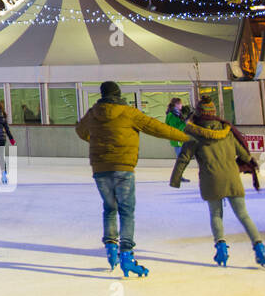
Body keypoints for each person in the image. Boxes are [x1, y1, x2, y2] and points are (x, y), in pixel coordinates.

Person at [75, 80, 229, 277]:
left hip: (100, 168)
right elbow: (157, 128)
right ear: (118, 94)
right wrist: (187, 136)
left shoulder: (92, 114)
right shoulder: (129, 112)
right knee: (126, 211)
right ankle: (127, 255)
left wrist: (96, 140)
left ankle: (111, 248)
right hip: (123, 167)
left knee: (110, 208)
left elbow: (80, 131)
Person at [171, 99, 265, 268]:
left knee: (216, 215)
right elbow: (244, 154)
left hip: (211, 180)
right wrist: (250, 164)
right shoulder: (227, 131)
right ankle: (260, 248)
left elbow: (183, 158)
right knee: (243, 215)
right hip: (232, 178)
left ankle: (221, 249)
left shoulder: (194, 134)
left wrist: (175, 178)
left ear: (200, 113)